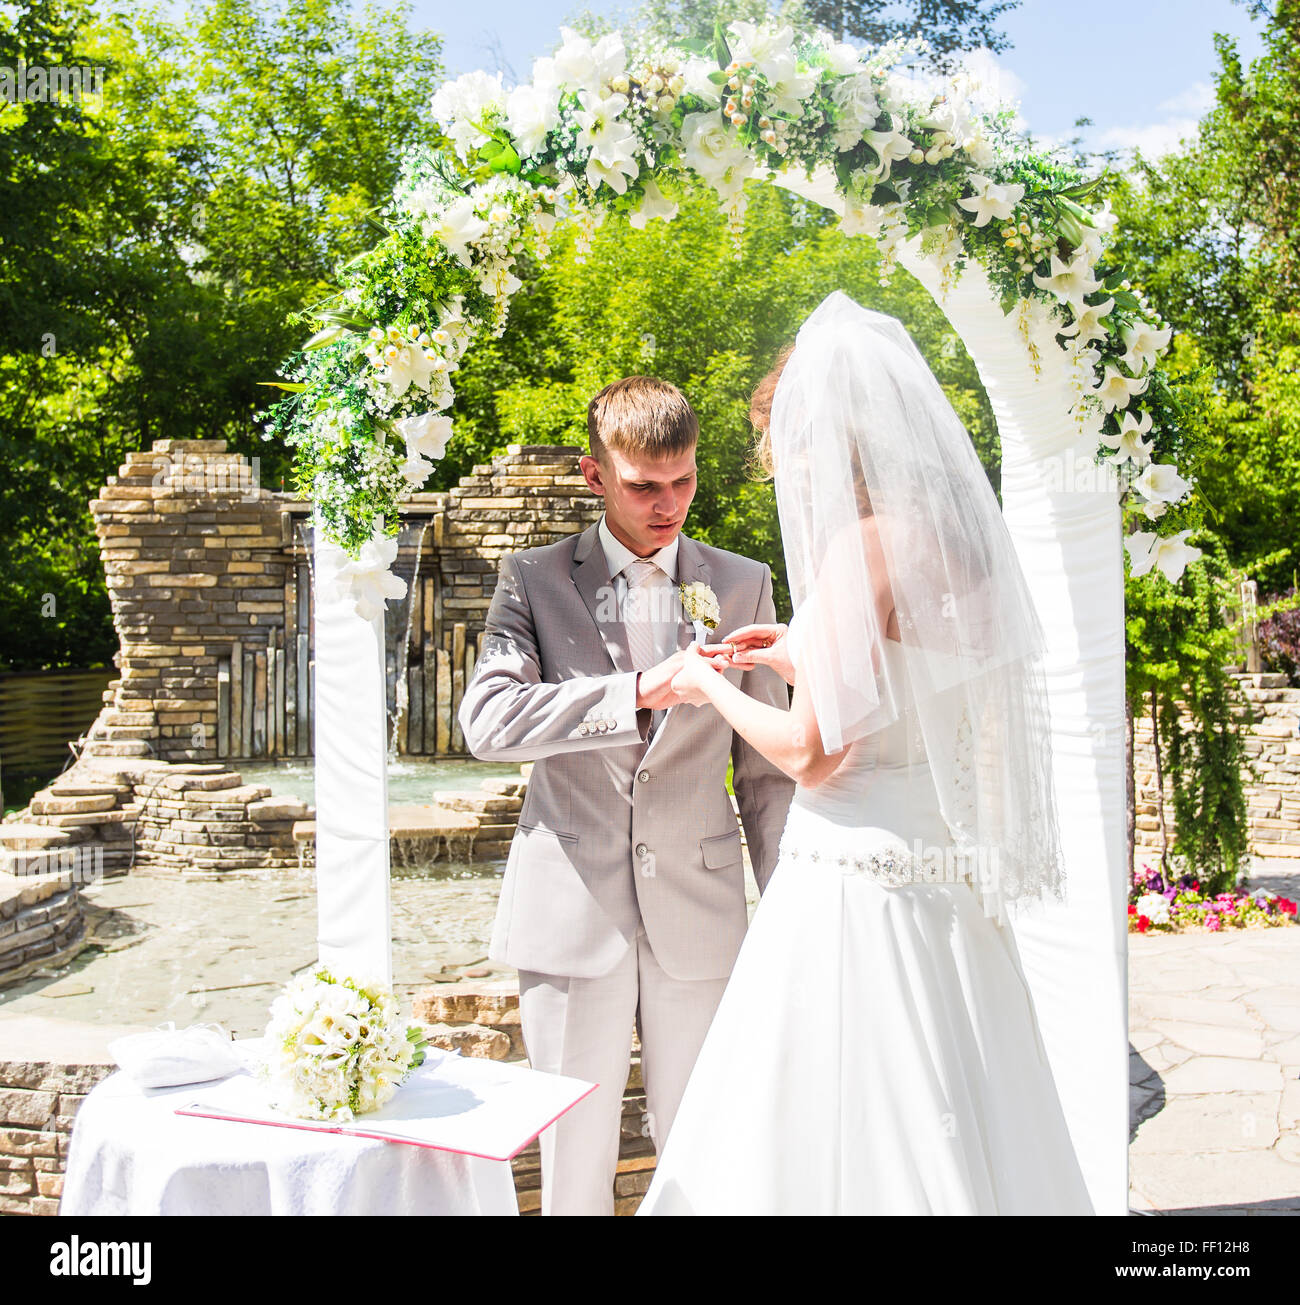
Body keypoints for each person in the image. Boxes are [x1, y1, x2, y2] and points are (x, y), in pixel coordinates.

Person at [636, 292, 1094, 1215]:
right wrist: (794, 648)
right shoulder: (961, 539)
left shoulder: (858, 547)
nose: (779, 472)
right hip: (936, 868)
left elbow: (811, 753)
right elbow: (914, 676)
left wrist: (707, 684)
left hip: (848, 878)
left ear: (819, 440)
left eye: (782, 446)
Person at [458, 375, 795, 1216]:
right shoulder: (530, 580)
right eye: (645, 485)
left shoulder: (744, 582)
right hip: (571, 916)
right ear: (593, 474)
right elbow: (488, 722)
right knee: (574, 1160)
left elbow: (766, 772)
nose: (669, 504)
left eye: (683, 481)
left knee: (703, 1149)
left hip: (703, 909)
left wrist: (790, 904)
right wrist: (643, 687)